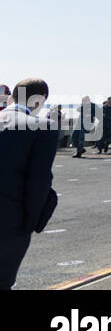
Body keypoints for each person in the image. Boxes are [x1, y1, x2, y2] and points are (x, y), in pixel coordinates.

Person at [0, 79, 59, 290]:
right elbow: (39, 180)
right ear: (39, 101)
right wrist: (31, 222)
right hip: (10, 218)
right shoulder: (43, 127)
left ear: (12, 96)